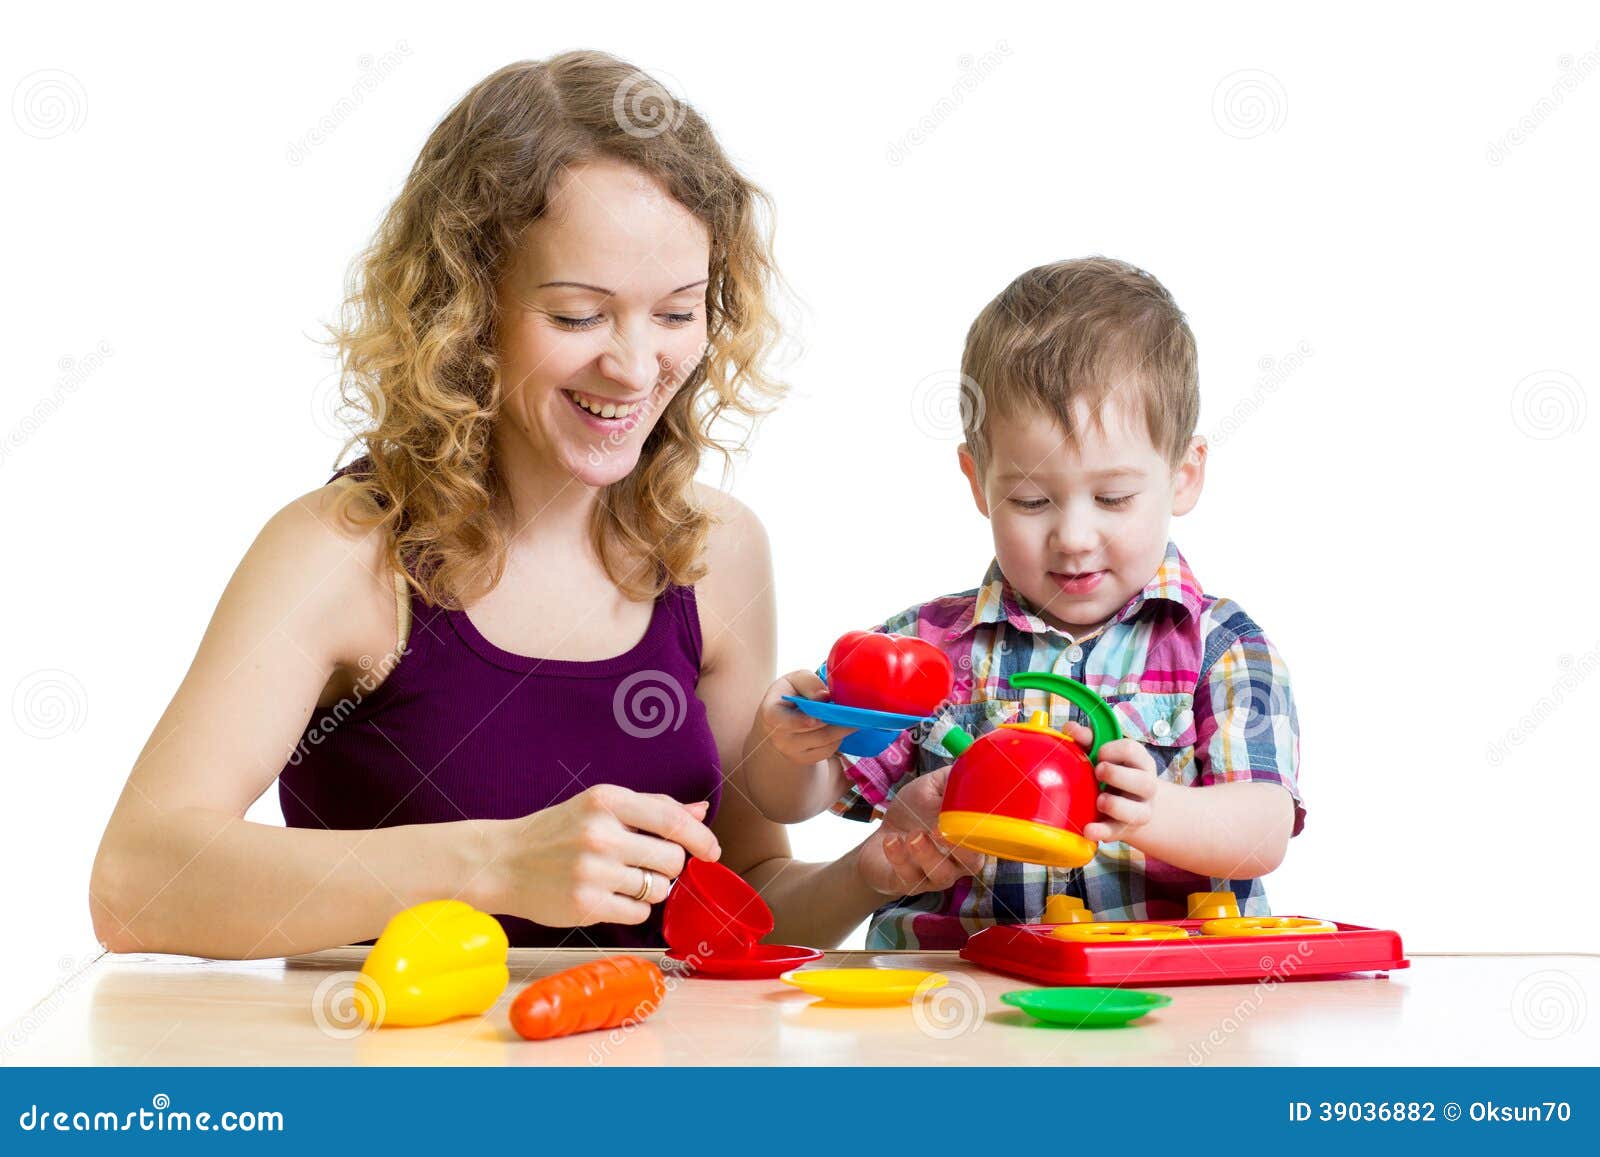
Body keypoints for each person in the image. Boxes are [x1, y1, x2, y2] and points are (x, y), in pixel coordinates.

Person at [88, 51, 942, 957]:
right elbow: (138, 881)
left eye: (677, 312)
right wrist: (492, 863)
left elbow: (745, 895)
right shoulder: (344, 553)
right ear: (466, 305)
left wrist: (867, 871)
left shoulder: (714, 549)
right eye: (579, 315)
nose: (635, 364)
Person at [744, 257, 1305, 948]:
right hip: (950, 1007)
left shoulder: (1221, 646)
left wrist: (1156, 809)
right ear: (978, 482)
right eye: (1031, 500)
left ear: (1183, 475)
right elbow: (799, 800)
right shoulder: (923, 647)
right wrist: (786, 746)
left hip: (1165, 1014)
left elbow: (1263, 828)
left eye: (1113, 498)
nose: (1072, 537)